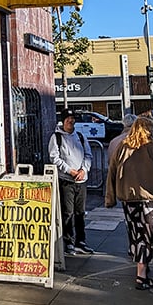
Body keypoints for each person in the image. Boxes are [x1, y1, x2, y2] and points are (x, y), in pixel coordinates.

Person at [105, 116, 153, 290]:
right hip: (150, 198)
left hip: (129, 200)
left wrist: (110, 198)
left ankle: (141, 271)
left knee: (137, 236)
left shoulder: (122, 147)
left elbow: (112, 173)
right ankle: (142, 274)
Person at [49, 108, 93, 255]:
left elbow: (88, 155)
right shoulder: (56, 138)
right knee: (67, 212)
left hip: (81, 181)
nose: (70, 121)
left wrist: (83, 170)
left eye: (72, 118)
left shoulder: (80, 136)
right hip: (66, 181)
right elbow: (54, 158)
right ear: (63, 120)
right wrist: (70, 171)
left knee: (80, 212)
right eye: (68, 118)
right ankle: (68, 241)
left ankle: (81, 241)